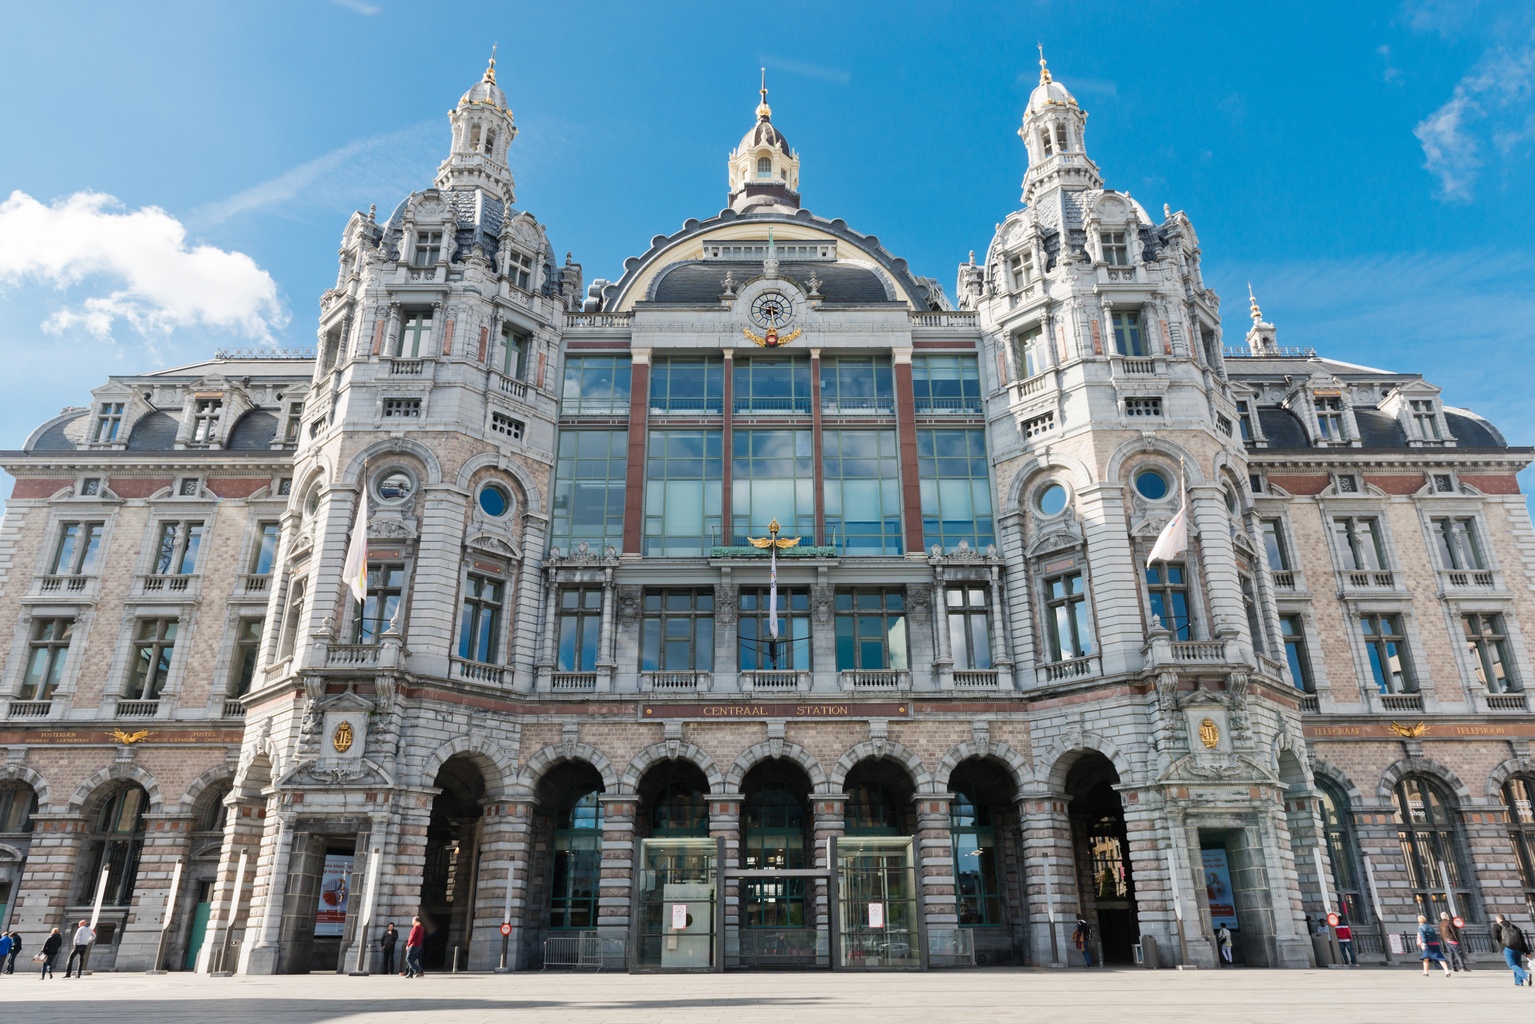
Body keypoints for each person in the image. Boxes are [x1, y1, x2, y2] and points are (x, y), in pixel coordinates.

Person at [1493, 914, 1530, 987]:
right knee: (1518, 965)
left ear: (1497, 919)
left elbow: (1494, 936)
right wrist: (1527, 952)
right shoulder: (1515, 927)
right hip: (1518, 948)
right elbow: (1522, 941)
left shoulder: (1497, 926)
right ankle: (1518, 982)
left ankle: (1526, 975)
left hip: (1507, 948)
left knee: (1511, 964)